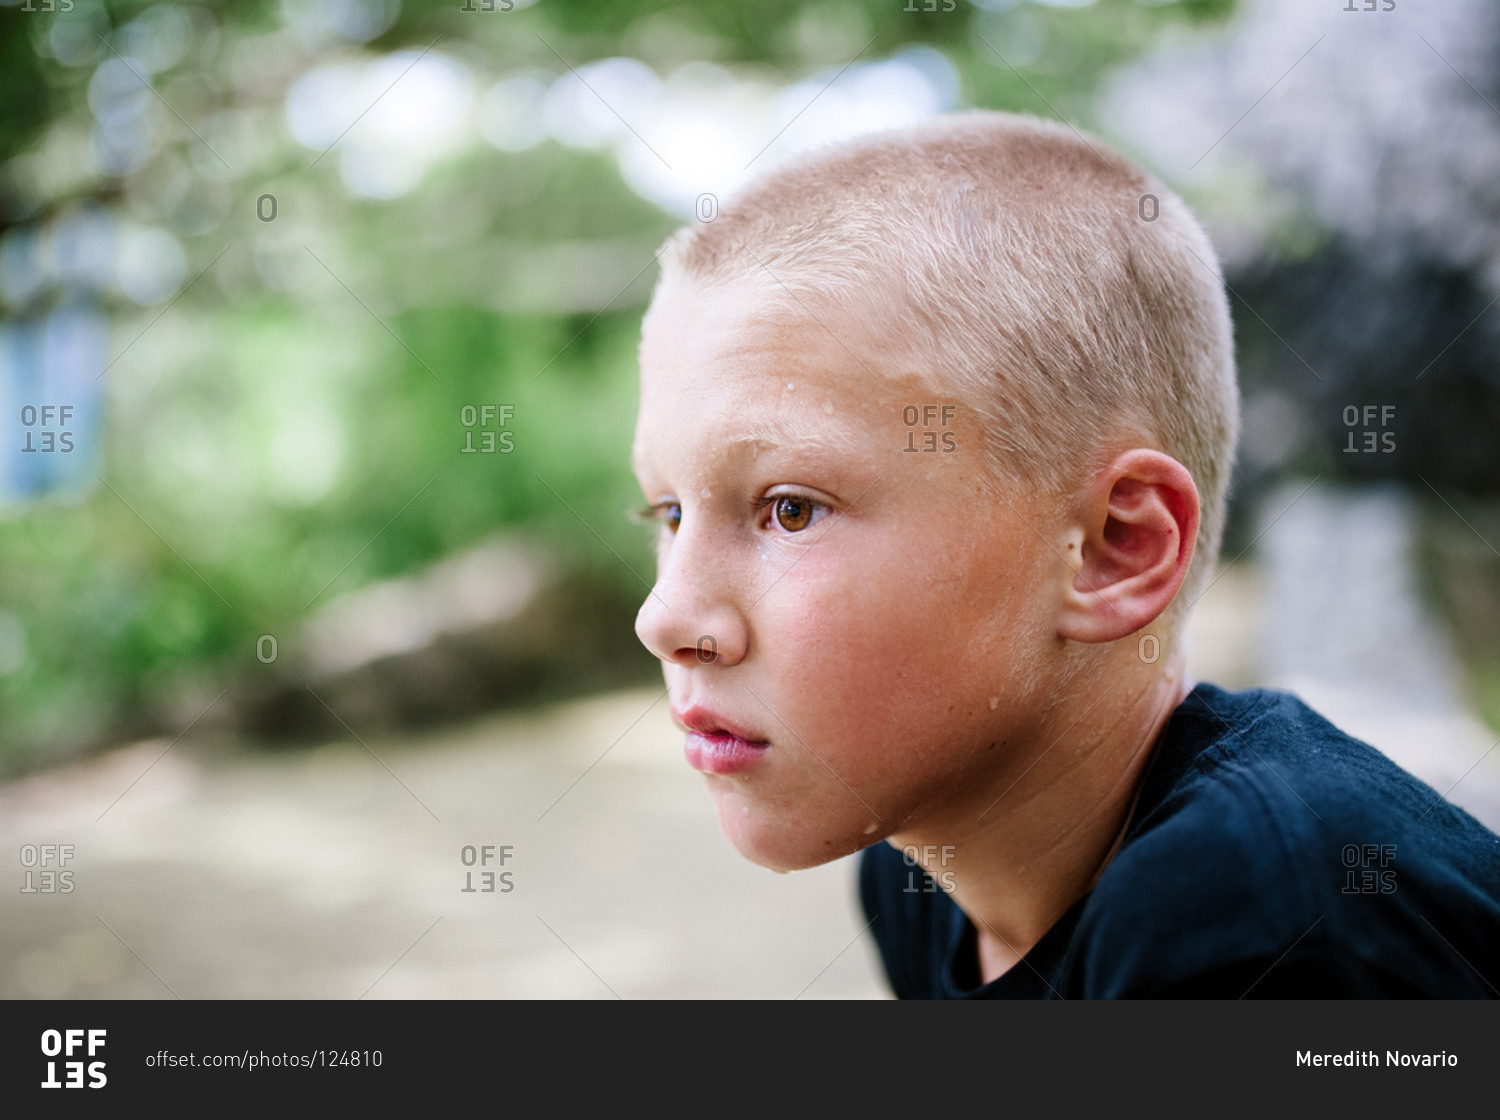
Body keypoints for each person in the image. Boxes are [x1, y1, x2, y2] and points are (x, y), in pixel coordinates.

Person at [628, 110, 1500, 997]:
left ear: (1114, 549)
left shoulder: (1251, 920)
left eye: (788, 510)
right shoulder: (916, 877)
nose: (663, 618)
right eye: (666, 510)